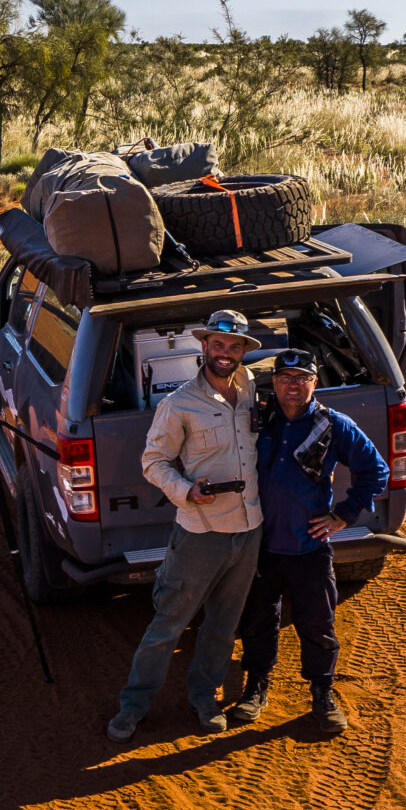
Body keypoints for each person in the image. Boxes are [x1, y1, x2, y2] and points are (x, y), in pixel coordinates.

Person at [107, 309, 265, 743]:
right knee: (169, 622)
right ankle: (134, 706)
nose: (226, 354)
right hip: (199, 533)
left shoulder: (250, 388)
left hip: (249, 528)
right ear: (204, 346)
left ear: (243, 352)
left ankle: (204, 697)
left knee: (223, 623)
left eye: (234, 347)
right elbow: (153, 462)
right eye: (218, 345)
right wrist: (186, 491)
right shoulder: (179, 404)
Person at [228, 347, 387, 740]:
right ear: (275, 383)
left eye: (302, 378)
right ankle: (256, 687)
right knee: (258, 620)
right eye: (285, 378)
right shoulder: (258, 421)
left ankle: (322, 692)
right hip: (261, 542)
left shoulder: (334, 425)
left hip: (309, 545)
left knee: (318, 623)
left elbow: (376, 471)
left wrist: (344, 516)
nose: (293, 385)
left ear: (315, 383)